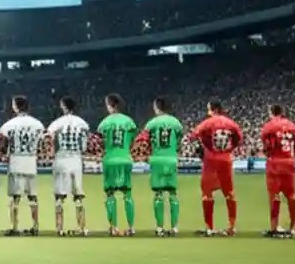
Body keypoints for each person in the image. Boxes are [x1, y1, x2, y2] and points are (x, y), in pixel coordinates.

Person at [192, 99, 243, 236]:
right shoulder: (231, 123)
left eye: (208, 109)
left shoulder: (208, 123)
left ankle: (209, 228)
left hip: (210, 161)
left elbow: (194, 135)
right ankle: (231, 227)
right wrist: (230, 148)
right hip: (226, 160)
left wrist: (205, 144)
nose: (207, 112)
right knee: (229, 193)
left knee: (207, 194)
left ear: (213, 110)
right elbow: (239, 138)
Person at [0, 95, 44, 236]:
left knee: (15, 197)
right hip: (30, 161)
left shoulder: (8, 125)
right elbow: (40, 146)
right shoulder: (38, 124)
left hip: (16, 162)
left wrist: (4, 152)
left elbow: (3, 147)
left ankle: (14, 227)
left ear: (15, 107)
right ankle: (35, 226)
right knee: (32, 197)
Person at [260, 104, 295, 238]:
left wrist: (267, 152)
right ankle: (293, 227)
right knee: (292, 195)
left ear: (271, 113)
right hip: (289, 163)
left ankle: (274, 227)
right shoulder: (292, 126)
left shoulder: (269, 126)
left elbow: (266, 145)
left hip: (275, 163)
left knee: (274, 196)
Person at [46, 96, 89, 237]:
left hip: (62, 158)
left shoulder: (57, 123)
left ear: (63, 107)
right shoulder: (82, 123)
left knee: (60, 196)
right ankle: (81, 227)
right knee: (78, 195)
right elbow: (84, 146)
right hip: (76, 159)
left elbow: (49, 138)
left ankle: (60, 228)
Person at [97, 93, 138, 237]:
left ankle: (113, 227)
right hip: (125, 158)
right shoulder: (129, 122)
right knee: (127, 194)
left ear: (110, 105)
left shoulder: (104, 123)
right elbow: (132, 139)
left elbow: (100, 142)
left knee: (110, 194)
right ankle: (131, 227)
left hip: (110, 160)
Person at [142, 97, 183, 237]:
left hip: (157, 159)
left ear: (156, 107)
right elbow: (179, 140)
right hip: (171, 159)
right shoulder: (176, 123)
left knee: (158, 194)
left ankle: (159, 228)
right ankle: (174, 228)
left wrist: (147, 154)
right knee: (173, 194)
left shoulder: (152, 123)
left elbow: (143, 140)